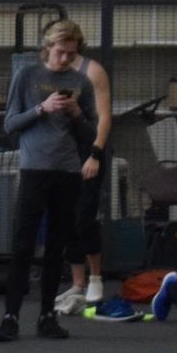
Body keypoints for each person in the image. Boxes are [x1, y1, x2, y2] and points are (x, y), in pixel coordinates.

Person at [0, 19, 96, 341]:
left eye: (71, 54)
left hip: (67, 171)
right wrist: (43, 107)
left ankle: (47, 316)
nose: (65, 59)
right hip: (34, 168)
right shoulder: (27, 75)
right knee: (23, 245)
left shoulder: (82, 82)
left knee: (57, 246)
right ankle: (10, 316)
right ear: (48, 48)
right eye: (60, 52)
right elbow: (10, 123)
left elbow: (91, 134)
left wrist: (76, 113)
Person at [60, 36, 114, 313]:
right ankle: (78, 282)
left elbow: (104, 117)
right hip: (60, 154)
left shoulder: (92, 71)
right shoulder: (47, 72)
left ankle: (96, 277)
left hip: (88, 151)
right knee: (66, 218)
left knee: (84, 217)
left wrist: (95, 153)